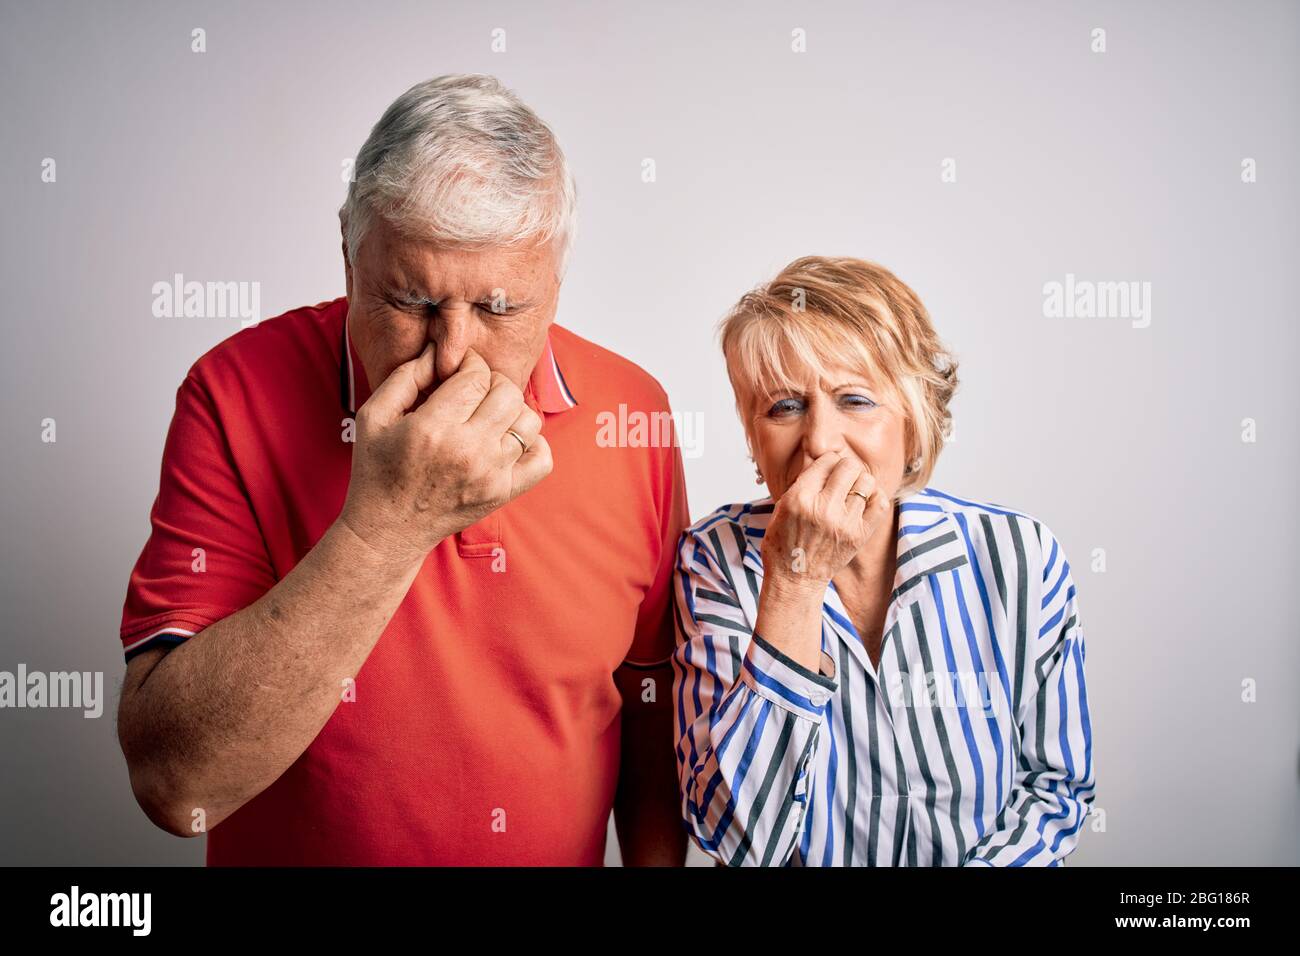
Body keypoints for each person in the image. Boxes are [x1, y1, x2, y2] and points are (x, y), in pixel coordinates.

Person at [116, 74, 688, 866]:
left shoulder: (636, 412)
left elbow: (650, 702)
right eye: (410, 301)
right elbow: (176, 788)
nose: (452, 354)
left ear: (556, 282)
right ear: (348, 261)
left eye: (497, 309)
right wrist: (389, 525)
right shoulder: (233, 392)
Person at [672, 256, 1095, 866]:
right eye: (784, 407)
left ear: (914, 424)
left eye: (855, 399)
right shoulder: (713, 560)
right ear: (753, 438)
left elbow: (1055, 791)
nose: (818, 440)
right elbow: (739, 837)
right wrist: (795, 581)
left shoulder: (1019, 556)